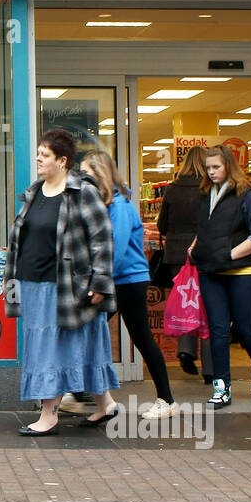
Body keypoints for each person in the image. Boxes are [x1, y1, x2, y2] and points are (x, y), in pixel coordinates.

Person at [3, 128, 118, 436]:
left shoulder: (82, 192)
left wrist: (100, 281)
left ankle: (48, 415)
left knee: (48, 349)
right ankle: (105, 403)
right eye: (38, 154)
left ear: (62, 161)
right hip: (33, 283)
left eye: (45, 155)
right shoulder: (36, 191)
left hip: (66, 284)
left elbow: (102, 238)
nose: (38, 160)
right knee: (76, 342)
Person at [79, 150, 177, 421]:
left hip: (126, 281)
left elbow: (116, 248)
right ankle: (85, 394)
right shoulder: (105, 203)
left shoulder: (119, 205)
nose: (83, 177)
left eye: (87, 171)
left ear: (99, 173)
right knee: (90, 332)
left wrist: (99, 281)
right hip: (117, 280)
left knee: (140, 337)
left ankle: (166, 399)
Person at [189, 144, 251, 409]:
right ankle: (221, 387)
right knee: (218, 331)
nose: (211, 172)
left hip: (242, 272)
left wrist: (230, 254)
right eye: (208, 168)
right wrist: (195, 247)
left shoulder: (245, 195)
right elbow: (206, 230)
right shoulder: (204, 195)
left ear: (229, 167)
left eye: (216, 167)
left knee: (246, 331)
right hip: (210, 271)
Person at [157, 146, 213, 382]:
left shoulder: (172, 189)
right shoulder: (209, 189)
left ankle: (186, 349)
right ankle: (210, 368)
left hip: (176, 256)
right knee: (209, 309)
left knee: (185, 302)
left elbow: (162, 226)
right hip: (203, 254)